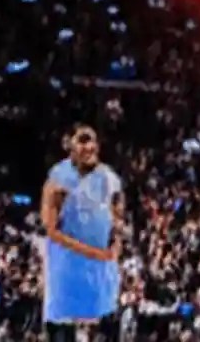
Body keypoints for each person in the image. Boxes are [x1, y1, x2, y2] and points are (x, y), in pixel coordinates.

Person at [41, 124, 124, 341]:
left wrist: (115, 247)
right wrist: (93, 253)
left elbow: (118, 222)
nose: (88, 147)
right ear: (69, 145)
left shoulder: (110, 179)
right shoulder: (57, 180)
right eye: (82, 140)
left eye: (91, 140)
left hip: (100, 279)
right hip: (67, 276)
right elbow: (51, 230)